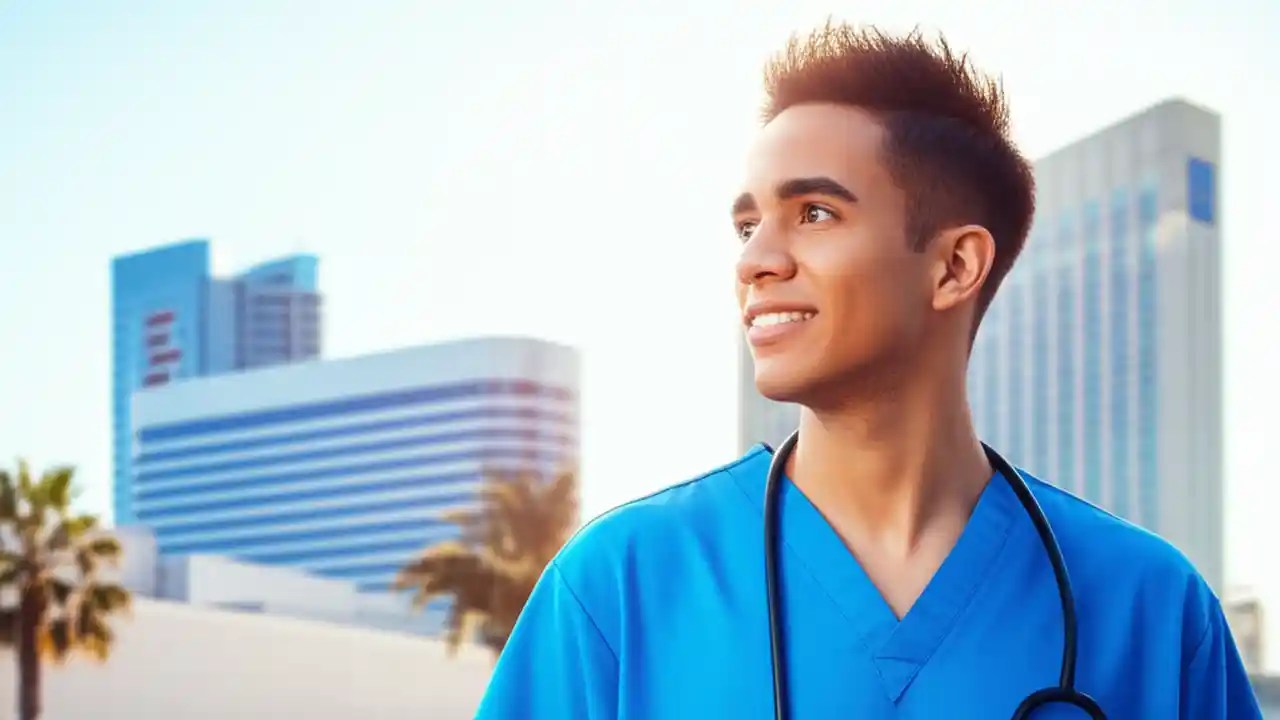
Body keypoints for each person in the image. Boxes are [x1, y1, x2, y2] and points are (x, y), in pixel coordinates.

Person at [474, 21, 1262, 719]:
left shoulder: (1151, 611)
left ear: (955, 266)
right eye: (747, 225)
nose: (754, 260)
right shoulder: (619, 587)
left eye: (813, 213)